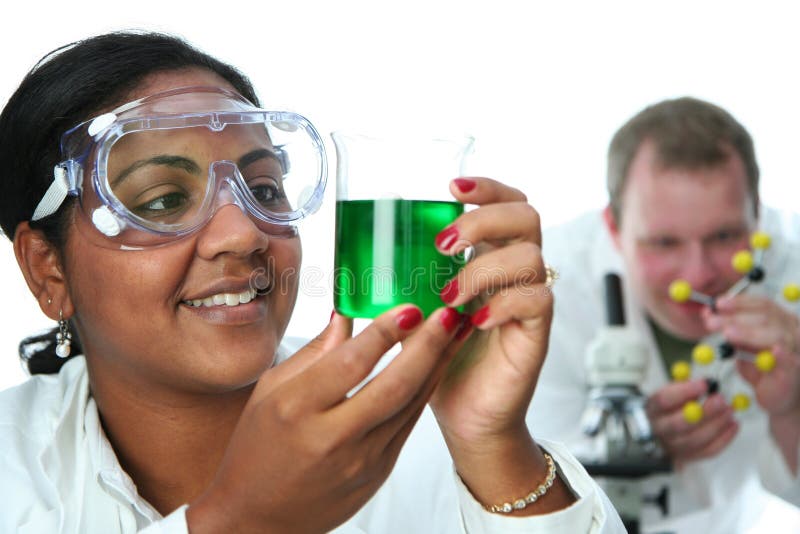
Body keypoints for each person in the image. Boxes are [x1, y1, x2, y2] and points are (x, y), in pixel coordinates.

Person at [0, 31, 623, 533]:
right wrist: (241, 521)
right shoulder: (13, 473)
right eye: (162, 200)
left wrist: (491, 445)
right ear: (47, 270)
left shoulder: (419, 432)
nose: (243, 233)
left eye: (264, 188)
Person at [529, 97, 800, 532]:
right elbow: (514, 496)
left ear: (758, 216)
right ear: (613, 228)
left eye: (724, 236)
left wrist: (792, 408)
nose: (698, 274)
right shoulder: (544, 289)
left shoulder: (792, 275)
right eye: (664, 243)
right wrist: (627, 449)